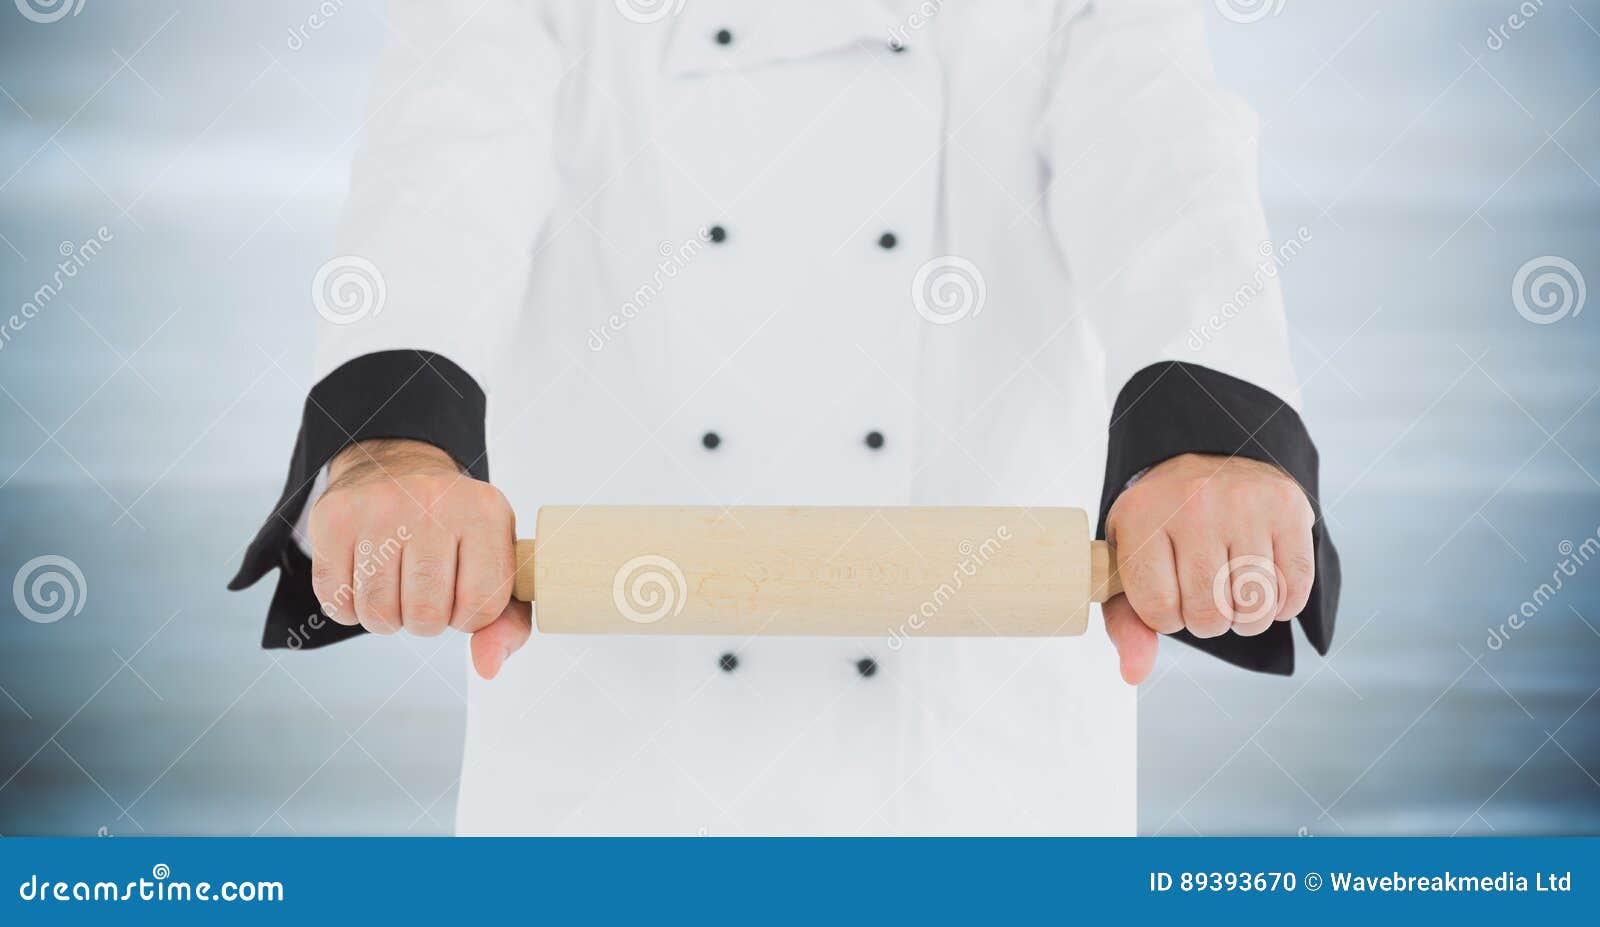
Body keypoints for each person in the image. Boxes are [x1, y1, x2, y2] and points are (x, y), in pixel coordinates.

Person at [231, 0, 1339, 835]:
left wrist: (1212, 433)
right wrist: (391, 441)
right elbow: (441, 163)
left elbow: (1163, 159)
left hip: (980, 789)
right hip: (609, 796)